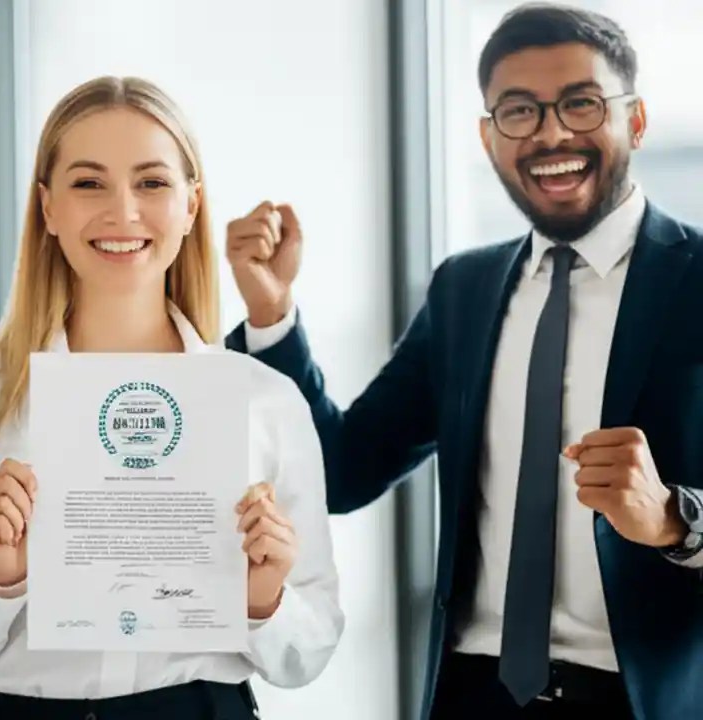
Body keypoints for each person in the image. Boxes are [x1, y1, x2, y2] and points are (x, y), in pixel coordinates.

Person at [223, 4, 703, 719]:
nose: (551, 133)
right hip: (474, 696)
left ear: (634, 121)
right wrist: (271, 314)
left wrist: (674, 520)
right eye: (519, 111)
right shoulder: (465, 290)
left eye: (581, 103)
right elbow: (344, 469)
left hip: (646, 701)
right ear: (488, 137)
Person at [0, 76, 343, 720]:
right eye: (89, 182)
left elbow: (308, 653)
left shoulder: (264, 402)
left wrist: (261, 597)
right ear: (48, 208)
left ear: (191, 205)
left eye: (152, 182)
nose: (123, 212)